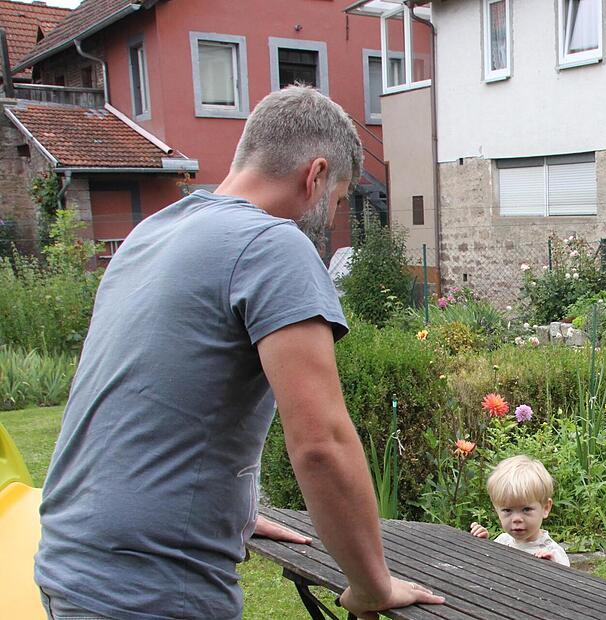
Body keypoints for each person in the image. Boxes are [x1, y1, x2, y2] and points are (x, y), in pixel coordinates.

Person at [34, 86, 444, 620]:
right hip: (153, 586)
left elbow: (143, 402)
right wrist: (372, 585)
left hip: (71, 566)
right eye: (340, 200)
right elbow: (320, 444)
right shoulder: (272, 244)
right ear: (316, 176)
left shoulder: (151, 234)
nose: (333, 218)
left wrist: (229, 510)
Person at [469, 455, 571, 566]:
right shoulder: (502, 541)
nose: (516, 519)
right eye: (507, 510)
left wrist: (553, 566)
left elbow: (567, 577)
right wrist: (484, 544)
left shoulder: (553, 552)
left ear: (545, 508)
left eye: (526, 509)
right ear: (496, 510)